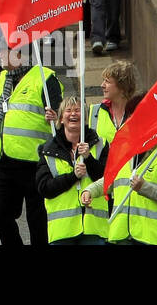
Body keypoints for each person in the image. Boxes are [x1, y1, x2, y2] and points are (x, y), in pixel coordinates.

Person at [0, 46, 63, 246]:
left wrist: (57, 117)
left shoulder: (45, 78)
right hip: (5, 163)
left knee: (38, 224)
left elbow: (63, 117)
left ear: (18, 54)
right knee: (0, 216)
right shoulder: (2, 79)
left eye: (3, 51)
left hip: (37, 165)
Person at [35, 97, 108, 244]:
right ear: (61, 119)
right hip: (63, 231)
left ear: (85, 117)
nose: (73, 114)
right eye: (68, 110)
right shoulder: (48, 149)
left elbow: (107, 181)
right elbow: (44, 188)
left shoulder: (100, 144)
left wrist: (88, 158)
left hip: (93, 228)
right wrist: (73, 176)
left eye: (77, 110)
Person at [104, 139, 157, 245]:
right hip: (123, 234)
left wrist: (144, 188)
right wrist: (90, 191)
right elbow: (111, 180)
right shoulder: (126, 150)